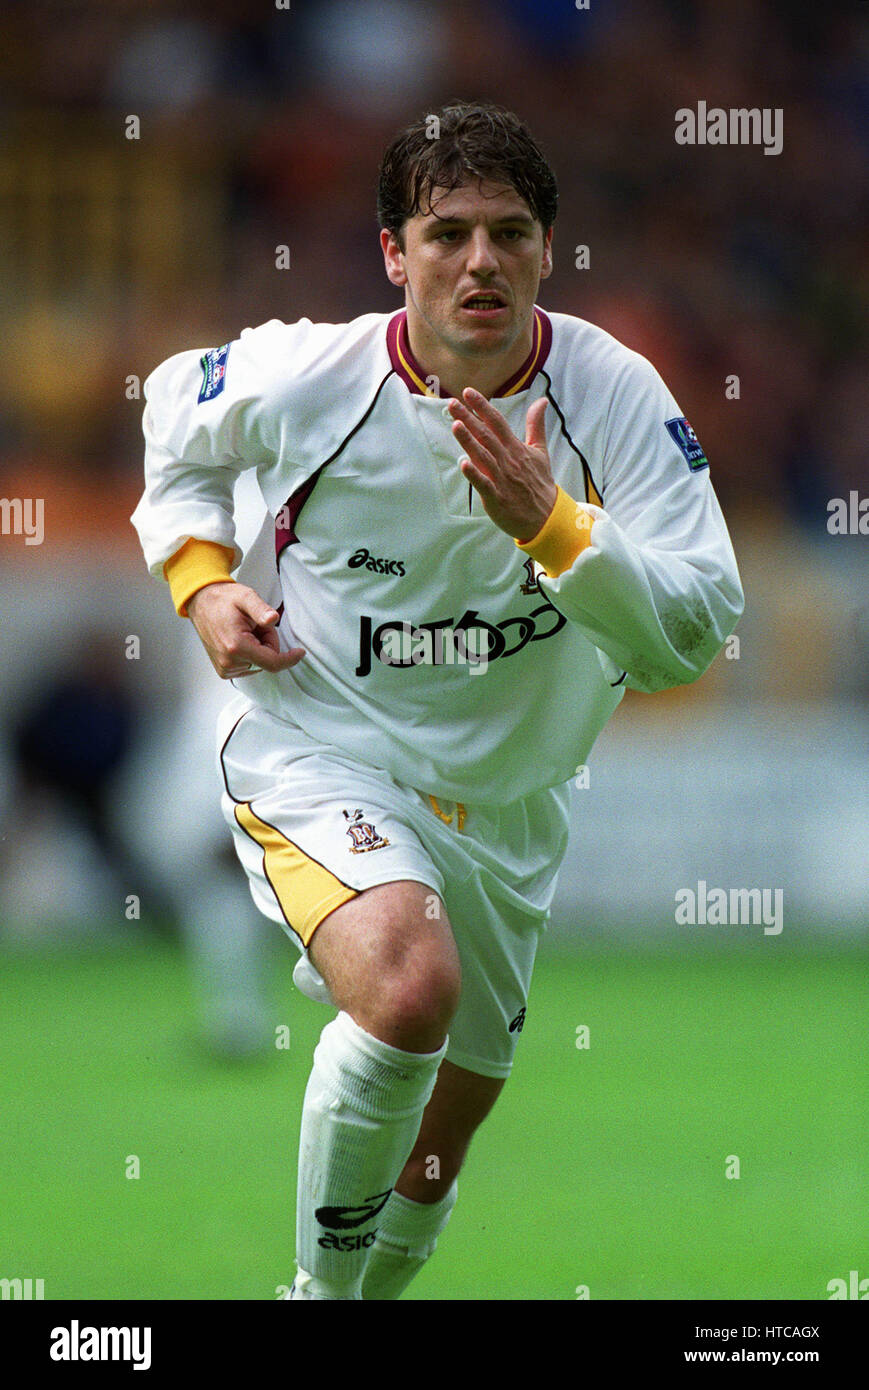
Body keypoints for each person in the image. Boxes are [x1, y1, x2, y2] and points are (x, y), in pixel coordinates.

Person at [131, 101, 744, 1301]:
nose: (480, 261)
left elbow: (691, 632)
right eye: (447, 232)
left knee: (431, 1149)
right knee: (408, 988)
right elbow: (174, 421)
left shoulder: (610, 394)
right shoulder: (308, 375)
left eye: (509, 233)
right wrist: (203, 585)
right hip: (321, 743)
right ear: (391, 254)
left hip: (510, 800)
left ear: (547, 249)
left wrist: (555, 529)